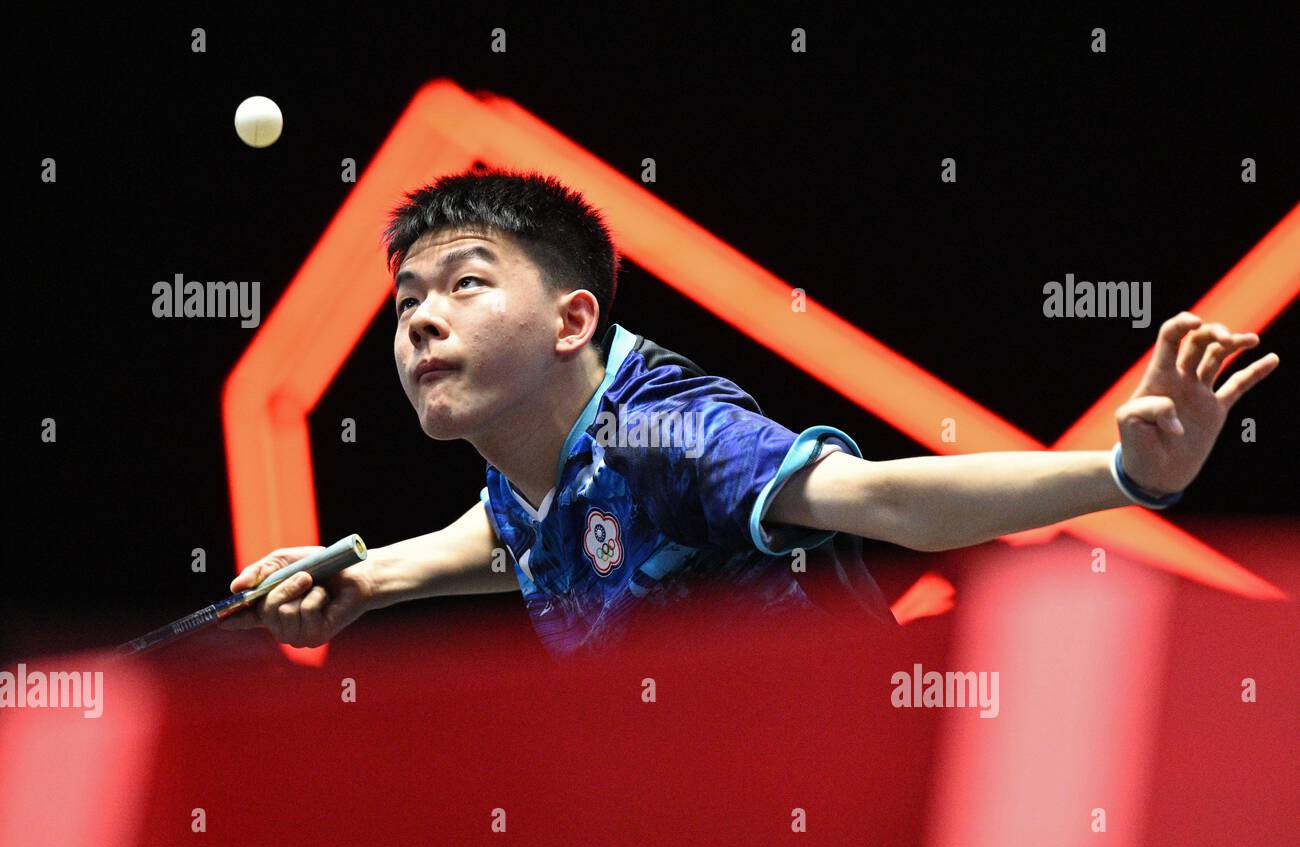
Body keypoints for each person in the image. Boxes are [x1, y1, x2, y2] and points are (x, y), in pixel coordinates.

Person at [220, 168, 1280, 655]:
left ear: (571, 318)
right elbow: (512, 524)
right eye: (405, 302)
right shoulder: (531, 451)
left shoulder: (668, 431)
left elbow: (876, 500)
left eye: (463, 285)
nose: (420, 323)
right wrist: (362, 578)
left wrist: (1122, 476)